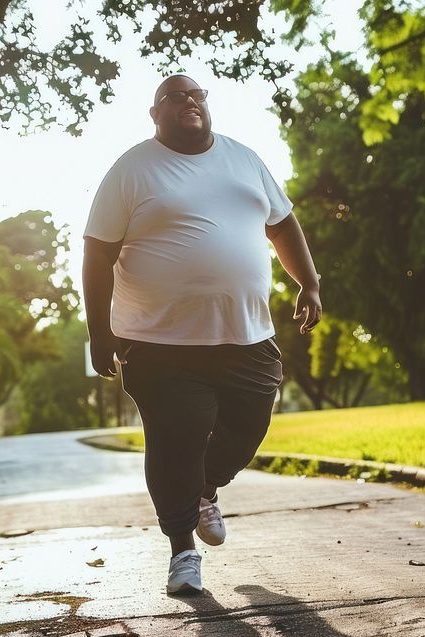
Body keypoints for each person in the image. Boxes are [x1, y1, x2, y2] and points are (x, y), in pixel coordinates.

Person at [82, 74, 322, 595]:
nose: (188, 102)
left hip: (247, 334)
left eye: (196, 95)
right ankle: (182, 552)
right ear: (155, 114)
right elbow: (97, 252)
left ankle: (205, 490)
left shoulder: (244, 159)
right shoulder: (132, 169)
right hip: (159, 342)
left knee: (250, 423)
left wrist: (308, 282)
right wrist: (98, 331)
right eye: (174, 97)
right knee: (177, 438)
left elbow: (282, 224)